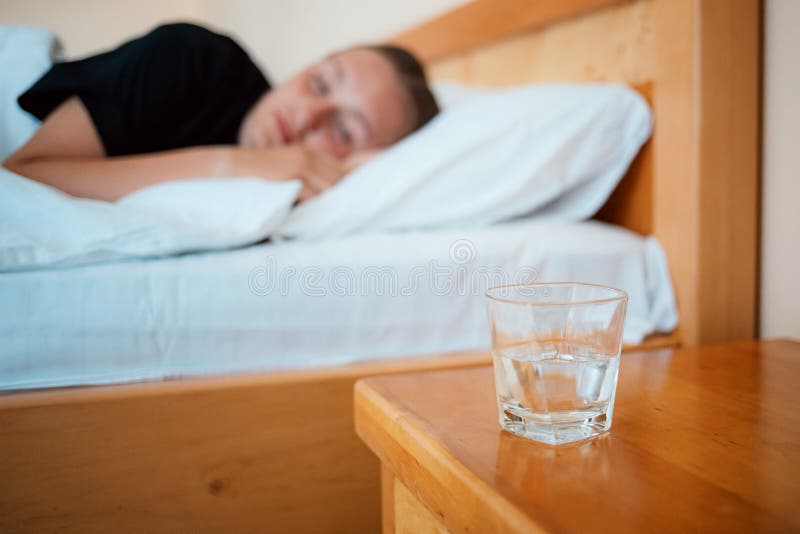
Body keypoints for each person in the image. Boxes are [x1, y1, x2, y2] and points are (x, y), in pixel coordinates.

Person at [2, 23, 439, 202]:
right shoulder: (193, 58)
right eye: (320, 82)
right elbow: (24, 174)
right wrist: (234, 164)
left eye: (344, 130)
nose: (306, 115)